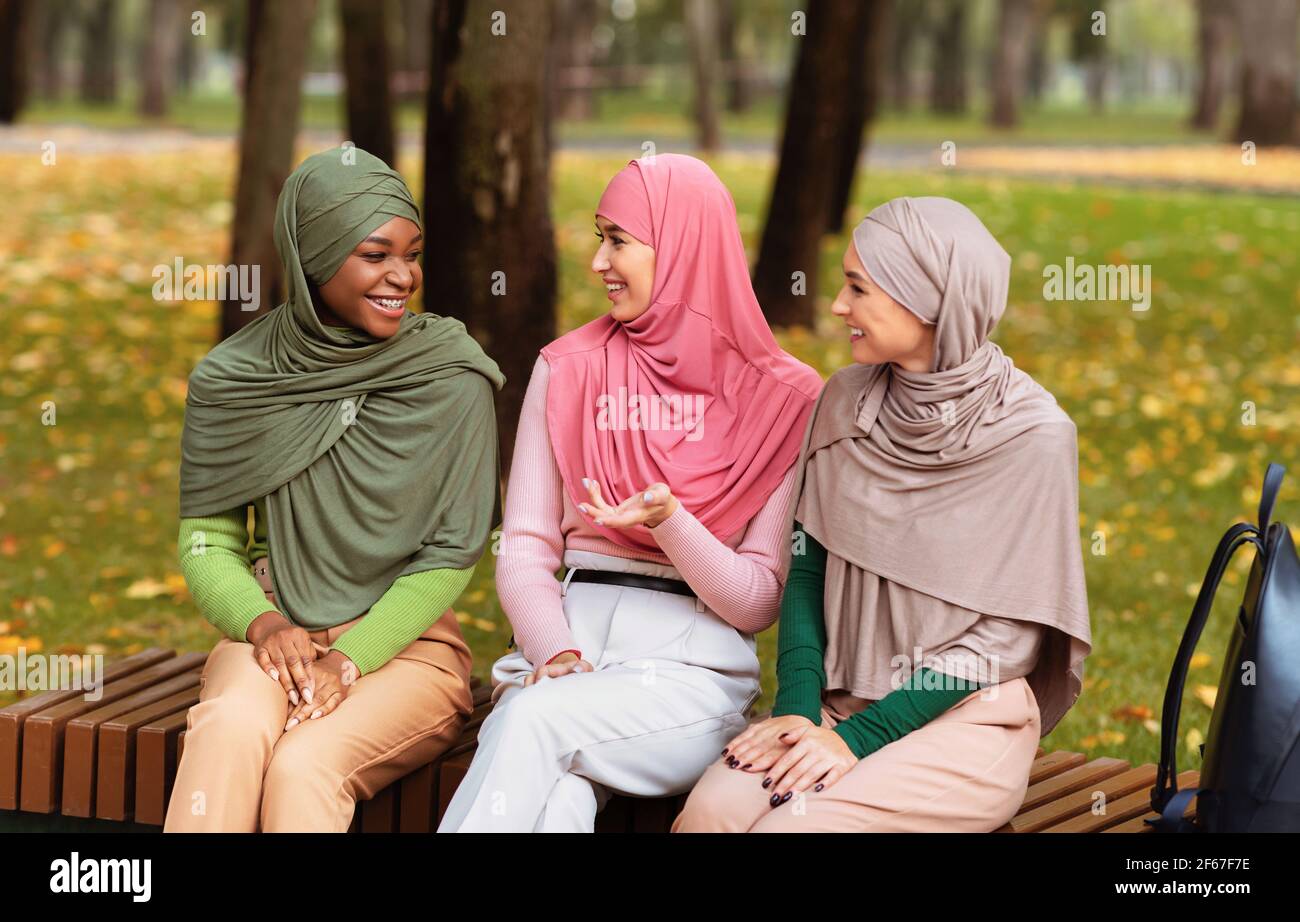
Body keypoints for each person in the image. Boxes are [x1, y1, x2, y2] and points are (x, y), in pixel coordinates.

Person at [673, 196, 1093, 832]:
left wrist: (857, 740)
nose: (838, 306)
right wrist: (798, 709)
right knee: (711, 812)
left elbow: (1009, 639)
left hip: (966, 722)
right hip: (834, 705)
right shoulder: (844, 402)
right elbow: (806, 564)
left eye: (857, 287)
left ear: (925, 299)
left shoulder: (1032, 436)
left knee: (796, 827)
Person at [438, 153, 824, 832]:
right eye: (599, 237)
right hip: (565, 651)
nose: (598, 263)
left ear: (684, 248)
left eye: (619, 241)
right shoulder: (567, 368)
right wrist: (554, 651)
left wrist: (671, 521)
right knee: (556, 802)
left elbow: (757, 599)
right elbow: (525, 548)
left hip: (689, 679)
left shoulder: (785, 398)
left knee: (531, 721)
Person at [165, 147, 503, 832]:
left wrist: (349, 660)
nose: (402, 276)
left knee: (303, 765)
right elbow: (208, 539)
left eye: (412, 254)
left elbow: (449, 555)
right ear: (312, 257)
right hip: (272, 631)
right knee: (228, 730)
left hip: (406, 651)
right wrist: (262, 624)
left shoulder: (449, 374)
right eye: (375, 256)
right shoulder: (237, 379)